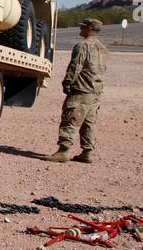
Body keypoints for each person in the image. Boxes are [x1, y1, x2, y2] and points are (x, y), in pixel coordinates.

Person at [44, 18, 107, 163]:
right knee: (89, 122)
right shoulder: (102, 48)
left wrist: (67, 83)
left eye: (83, 27)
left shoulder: (82, 46)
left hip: (81, 90)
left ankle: (64, 151)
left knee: (70, 119)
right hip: (96, 92)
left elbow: (75, 67)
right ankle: (87, 152)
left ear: (90, 28)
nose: (81, 29)